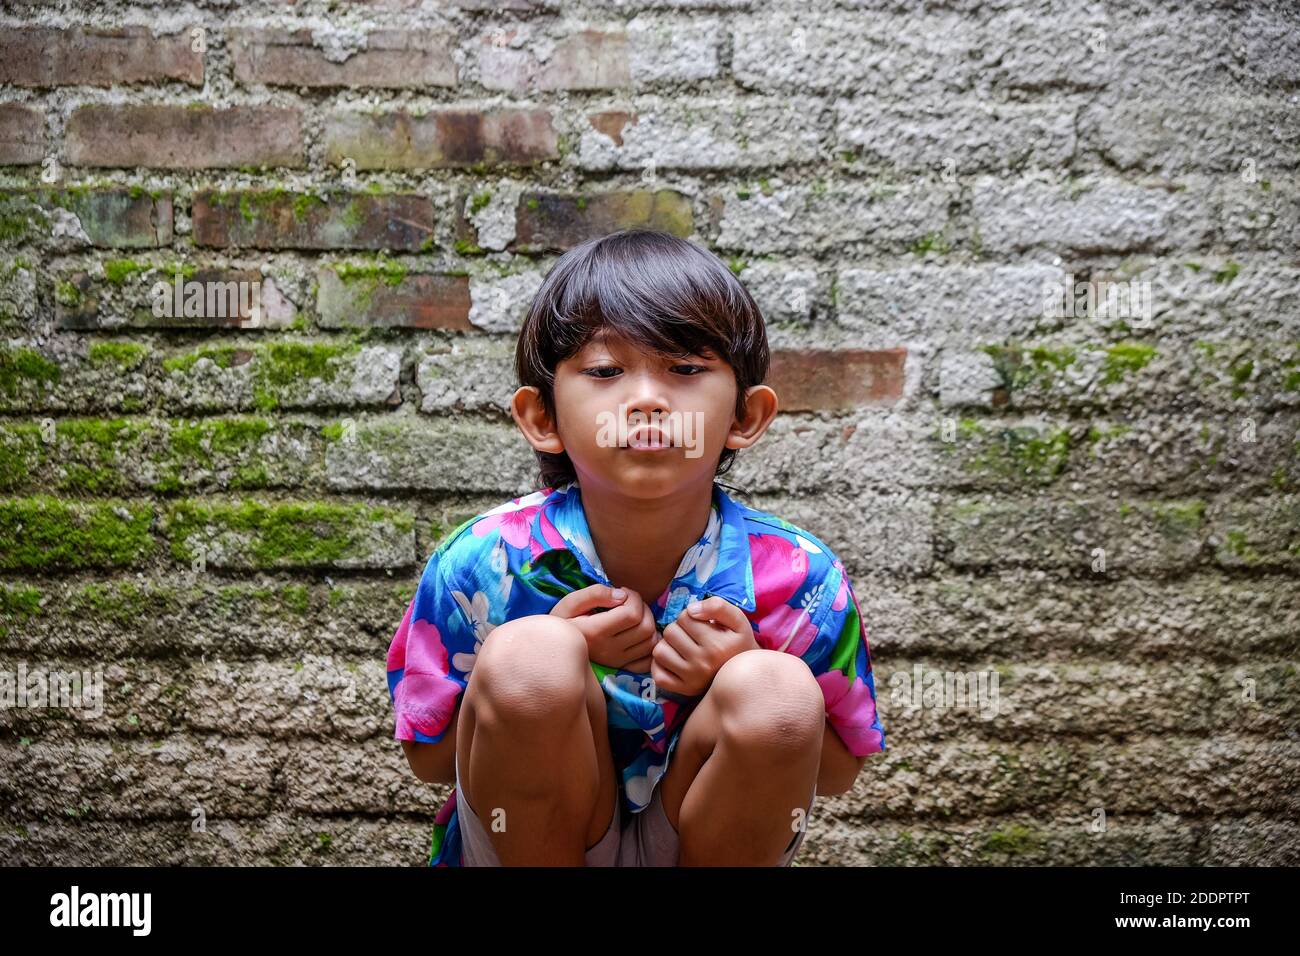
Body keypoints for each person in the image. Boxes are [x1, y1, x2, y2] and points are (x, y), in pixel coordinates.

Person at [386, 229, 887, 866]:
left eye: (684, 368)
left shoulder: (799, 577)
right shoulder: (485, 561)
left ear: (743, 417)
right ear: (544, 419)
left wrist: (734, 669)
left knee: (774, 689)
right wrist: (545, 670)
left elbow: (838, 776)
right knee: (531, 657)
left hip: (698, 837)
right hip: (527, 844)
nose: (647, 400)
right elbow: (428, 758)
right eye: (604, 370)